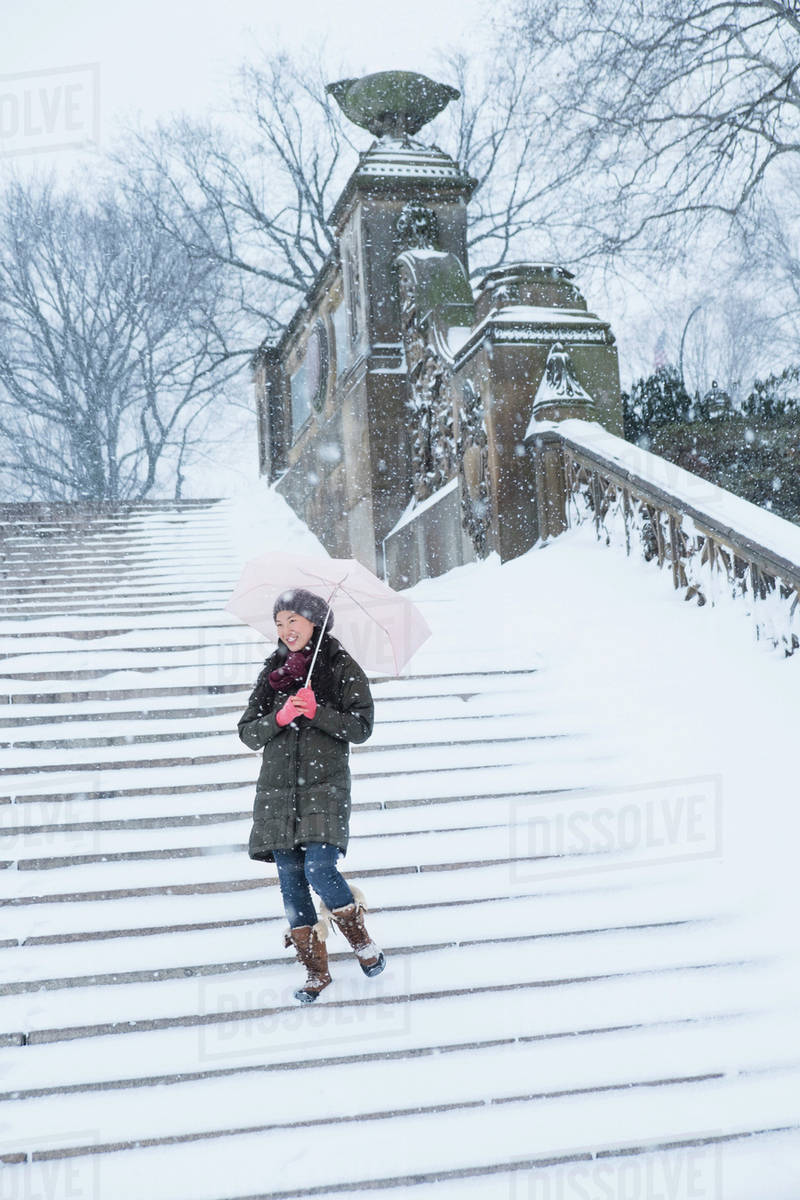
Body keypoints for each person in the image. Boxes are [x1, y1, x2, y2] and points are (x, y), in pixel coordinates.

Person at [237, 587, 386, 1003]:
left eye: (294, 622)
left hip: (324, 787)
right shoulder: (273, 674)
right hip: (278, 793)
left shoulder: (341, 667)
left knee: (319, 868)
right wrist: (281, 716)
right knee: (290, 879)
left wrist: (316, 712)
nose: (286, 631)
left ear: (315, 623)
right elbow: (248, 732)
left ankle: (361, 941)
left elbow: (361, 726)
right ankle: (314, 970)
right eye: (280, 624)